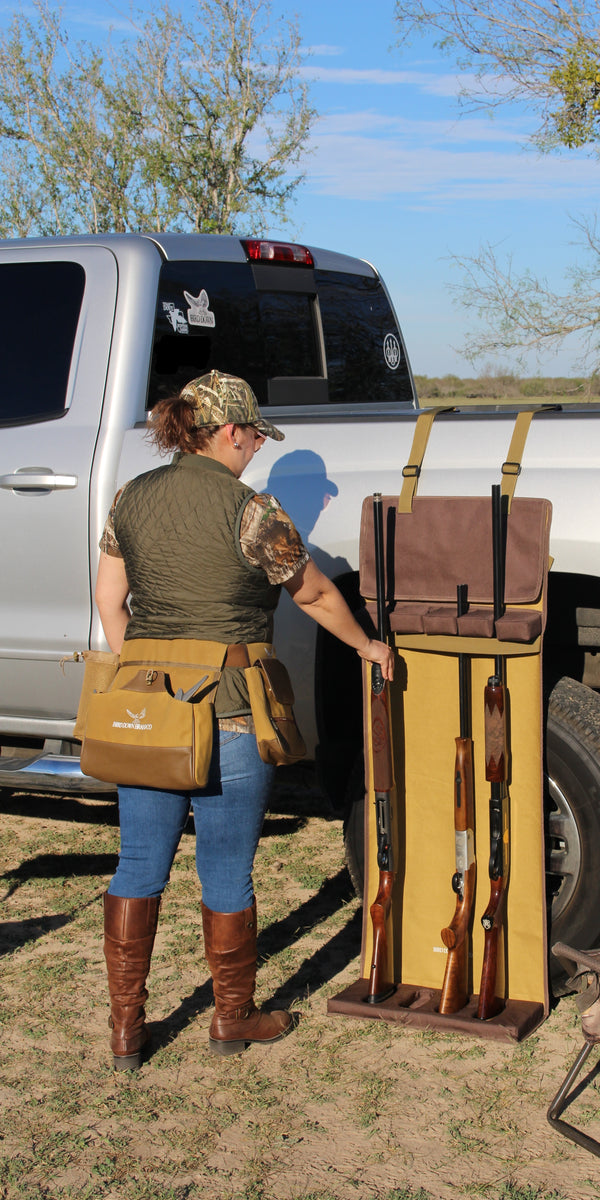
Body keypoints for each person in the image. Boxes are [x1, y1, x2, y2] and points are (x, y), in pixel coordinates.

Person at [94, 369, 392, 1071]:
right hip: (232, 712)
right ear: (230, 431)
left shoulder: (130, 498)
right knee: (226, 870)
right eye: (255, 434)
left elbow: (111, 601)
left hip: (149, 715)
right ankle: (233, 1019)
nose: (256, 447)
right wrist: (367, 644)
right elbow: (315, 593)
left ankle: (125, 1033)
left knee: (138, 864)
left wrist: (143, 675)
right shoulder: (253, 511)